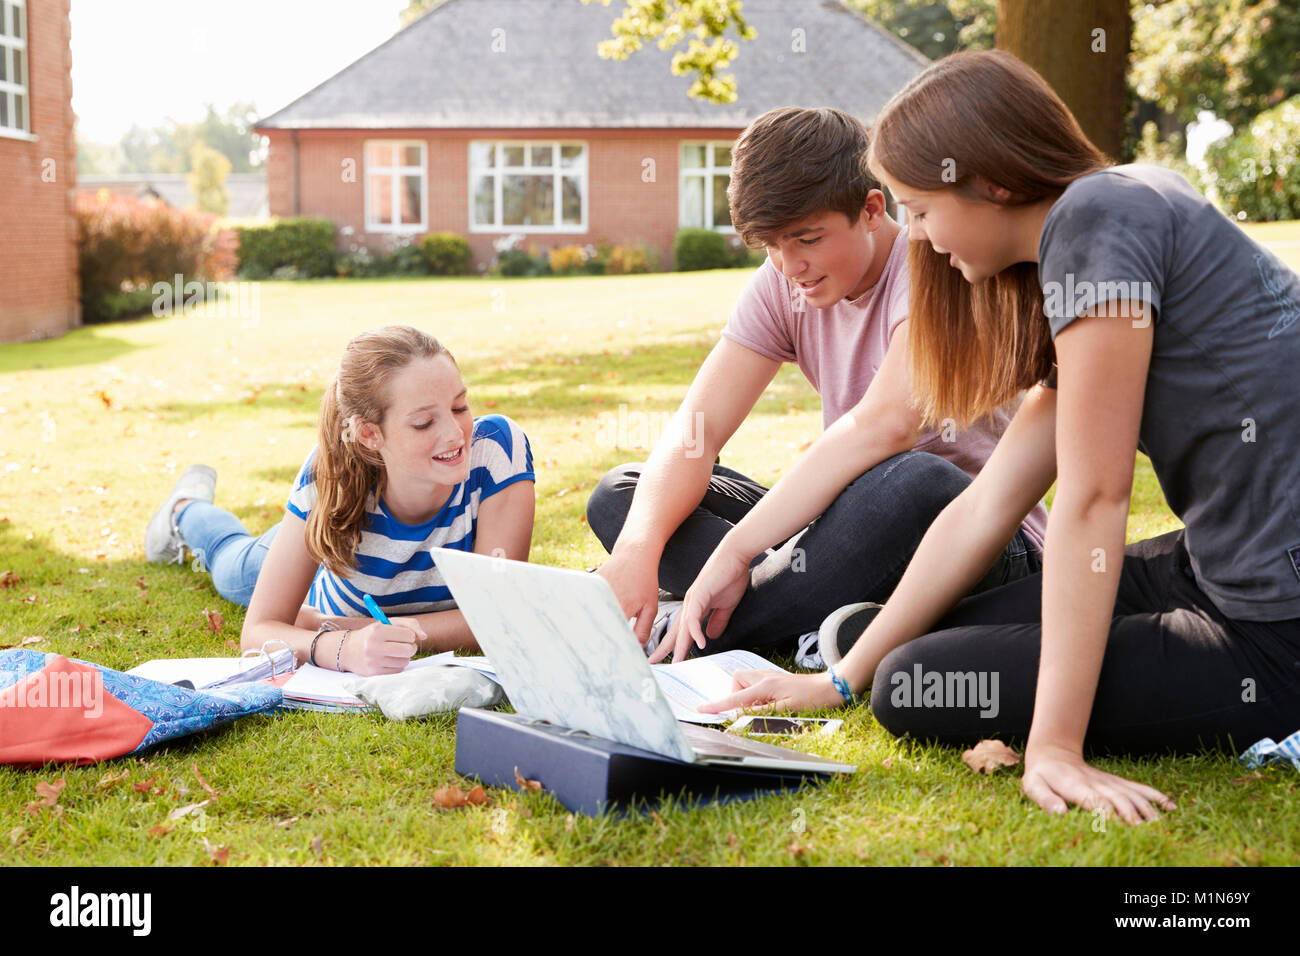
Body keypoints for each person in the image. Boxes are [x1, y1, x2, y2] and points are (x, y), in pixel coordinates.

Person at [697, 49, 1300, 825]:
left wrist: (1054, 747)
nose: (918, 236)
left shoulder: (1097, 223)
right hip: (1214, 568)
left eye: (920, 208)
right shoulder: (1107, 219)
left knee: (914, 682)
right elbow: (988, 503)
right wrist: (837, 681)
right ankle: (849, 644)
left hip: (1274, 626)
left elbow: (1094, 497)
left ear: (996, 184)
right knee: (908, 653)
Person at [586, 106, 1048, 659]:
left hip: (979, 539)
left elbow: (885, 427)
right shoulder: (782, 283)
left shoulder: (939, 265)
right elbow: (697, 432)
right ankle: (820, 616)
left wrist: (736, 552)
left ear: (871, 210)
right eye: (772, 245)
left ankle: (710, 624)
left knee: (913, 480)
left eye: (807, 239)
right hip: (845, 533)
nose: (790, 266)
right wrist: (638, 548)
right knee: (625, 496)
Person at [143, 325, 536, 675]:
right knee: (232, 563)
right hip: (326, 552)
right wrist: (342, 649)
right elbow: (259, 631)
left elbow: (494, 619)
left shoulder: (496, 450)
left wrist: (332, 626)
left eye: (459, 406)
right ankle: (184, 508)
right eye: (424, 422)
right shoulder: (330, 479)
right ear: (369, 434)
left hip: (333, 612)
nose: (455, 434)